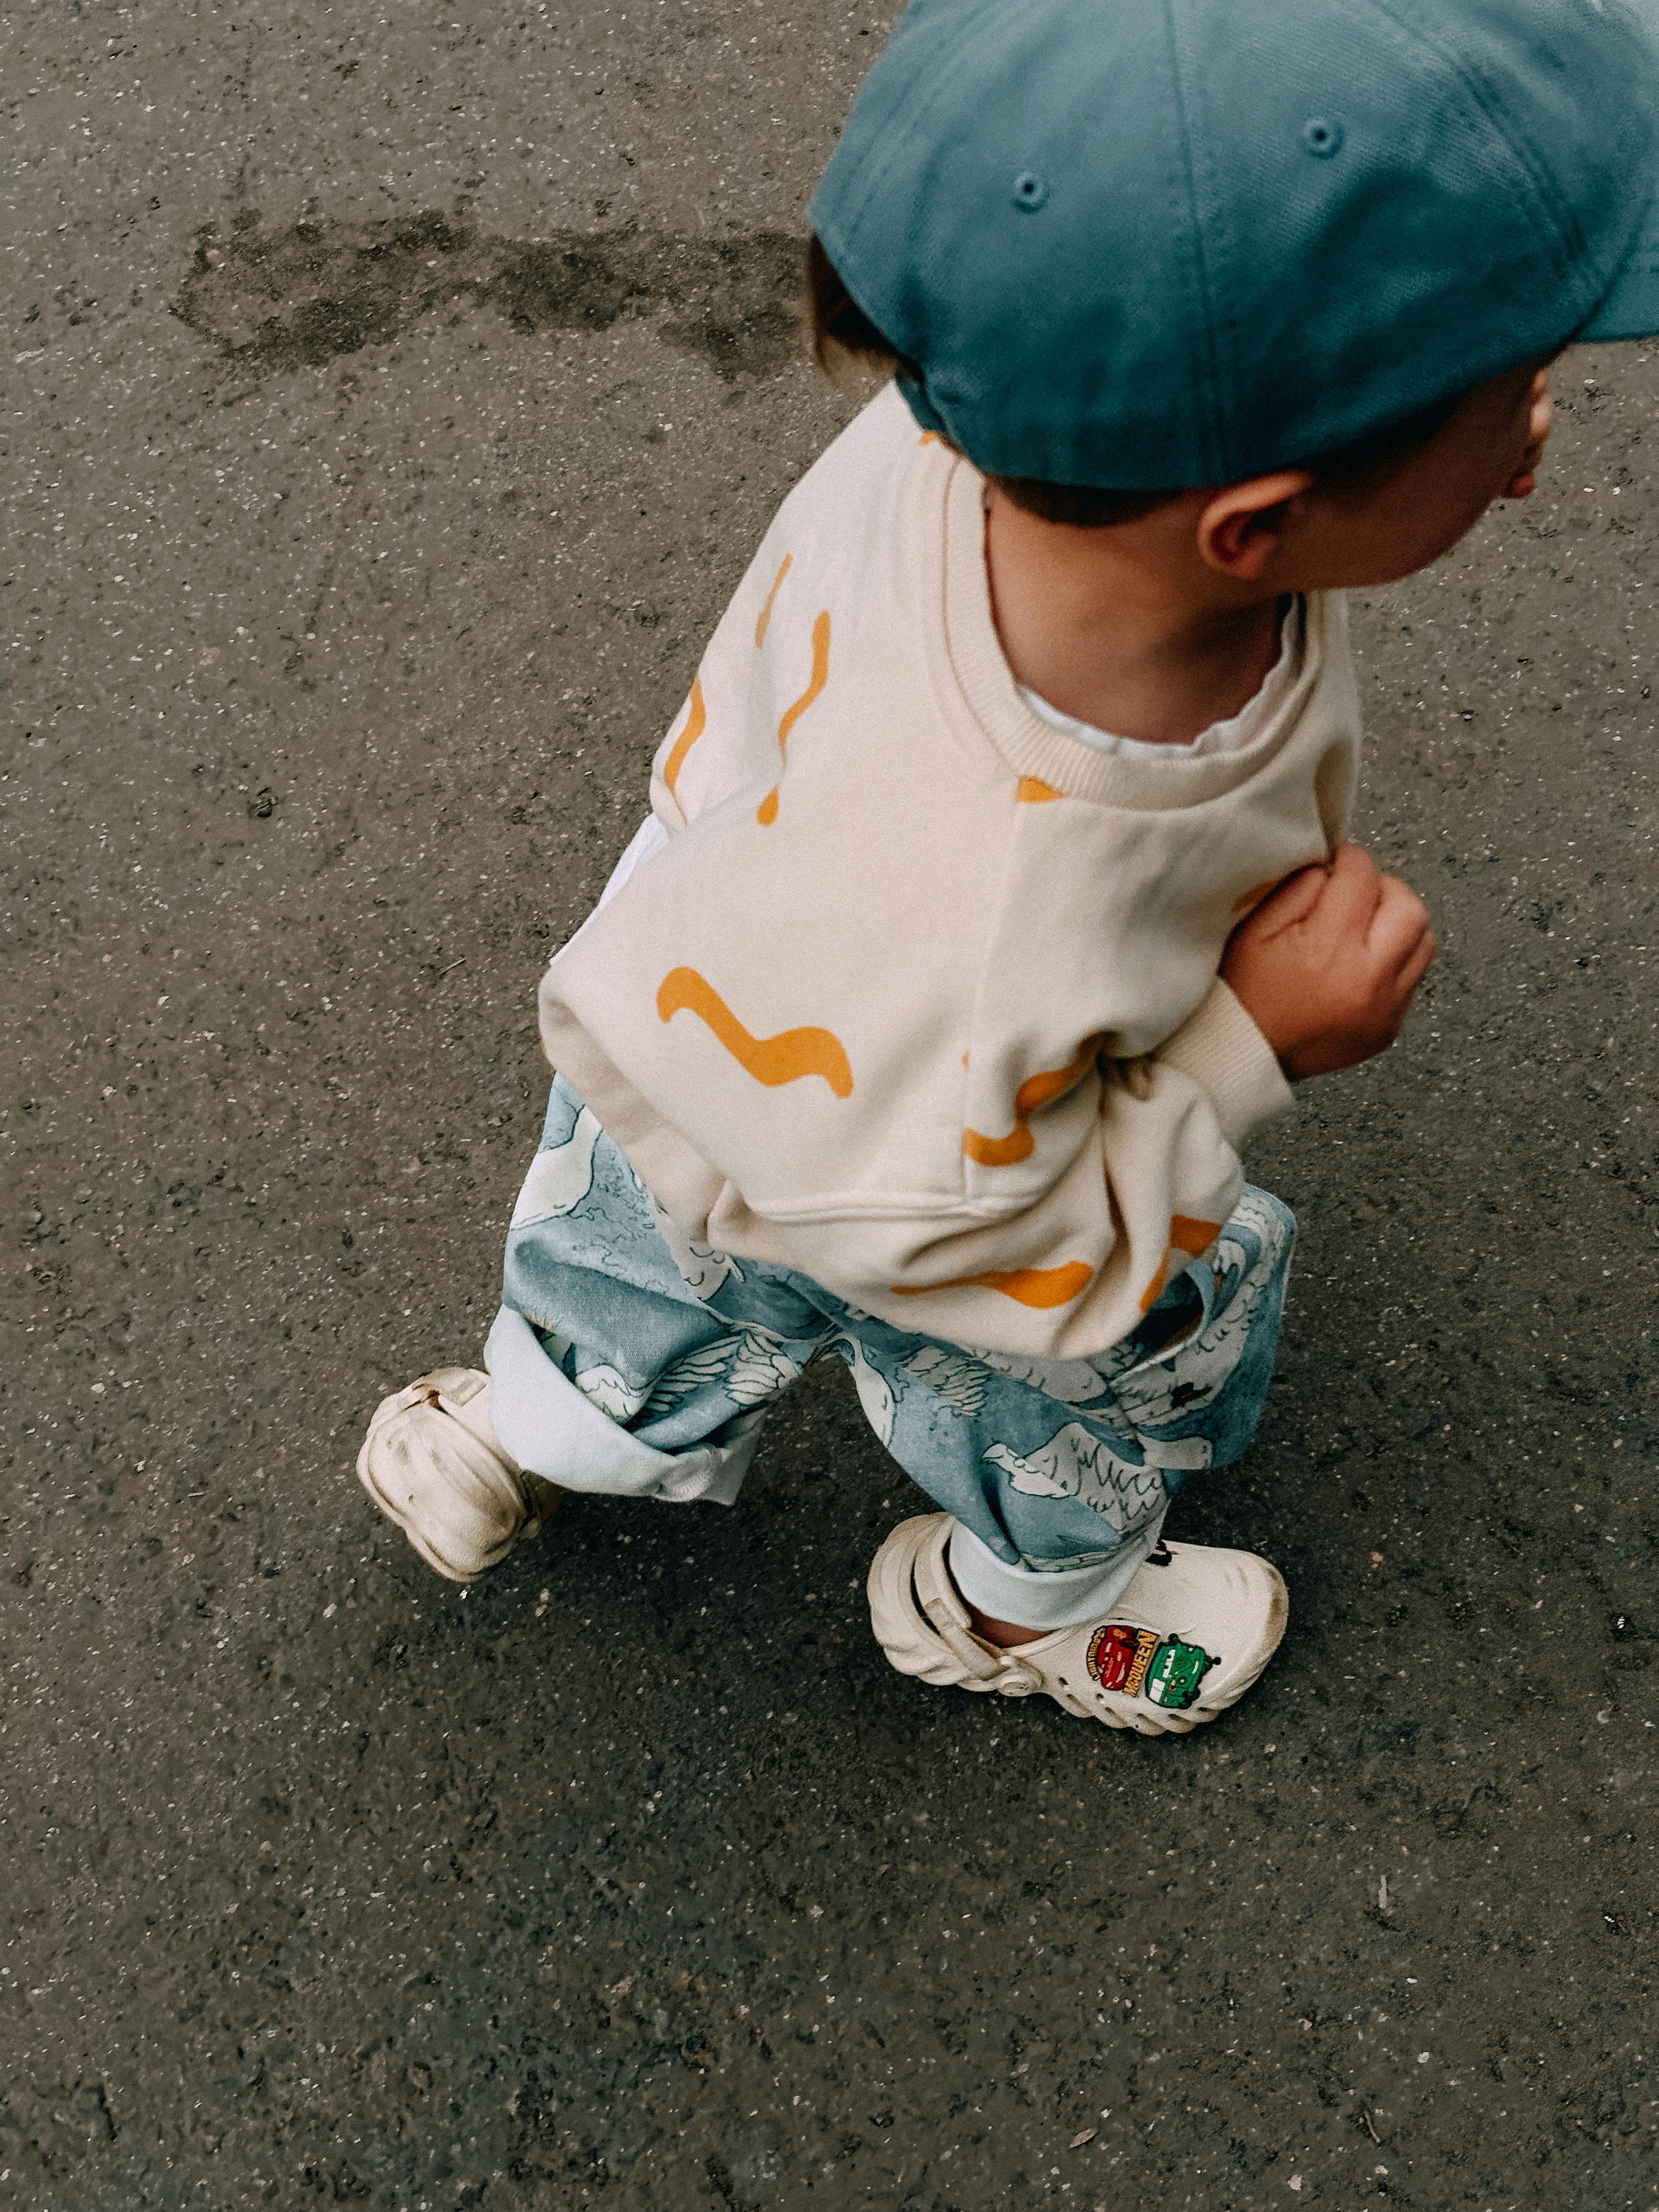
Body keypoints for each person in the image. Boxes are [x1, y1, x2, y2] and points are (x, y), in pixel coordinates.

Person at [357, 0, 1659, 1735]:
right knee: (1050, 1414)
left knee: (629, 1292)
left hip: (698, 996)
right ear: (1253, 525)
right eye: (1514, 391)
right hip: (936, 1173)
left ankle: (513, 1433)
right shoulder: (1016, 893)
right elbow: (980, 1250)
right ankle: (1009, 1608)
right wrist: (1246, 1047)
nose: (1543, 429)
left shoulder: (988, 424)